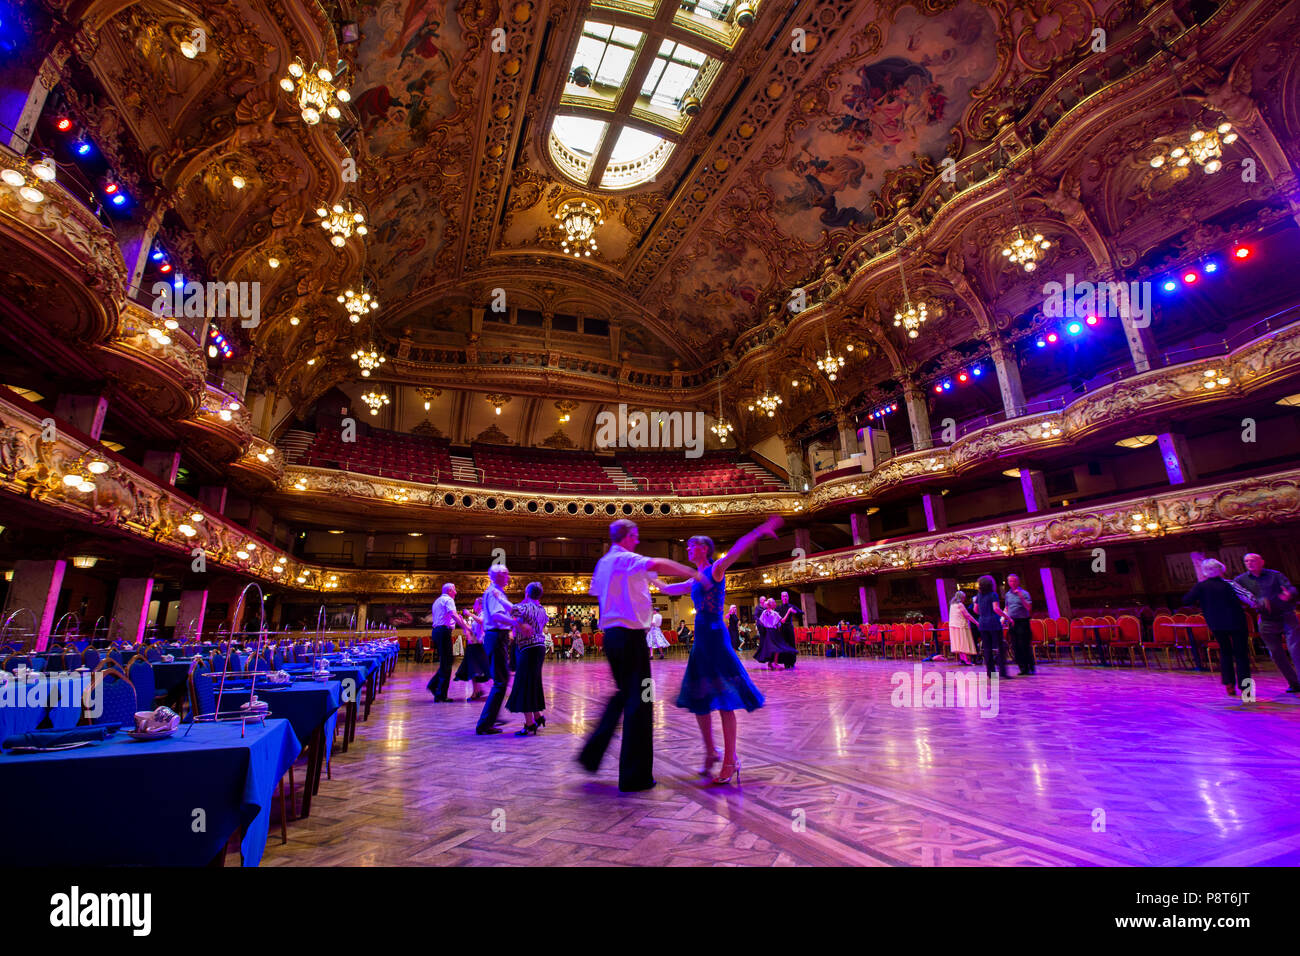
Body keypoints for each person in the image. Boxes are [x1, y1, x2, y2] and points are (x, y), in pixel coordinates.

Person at [577, 519, 702, 792]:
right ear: (626, 536)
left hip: (613, 638)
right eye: (635, 536)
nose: (637, 540)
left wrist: (653, 582)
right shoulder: (625, 558)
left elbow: (622, 585)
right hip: (630, 638)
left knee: (625, 694)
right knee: (642, 700)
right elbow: (656, 563)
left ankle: (591, 752)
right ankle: (635, 777)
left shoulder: (604, 563)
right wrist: (692, 572)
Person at [659, 516, 781, 785]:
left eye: (692, 545)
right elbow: (669, 588)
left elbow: (736, 550)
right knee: (700, 699)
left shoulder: (715, 570)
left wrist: (760, 530)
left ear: (704, 548)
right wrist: (650, 579)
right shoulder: (695, 579)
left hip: (715, 637)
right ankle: (711, 752)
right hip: (701, 640)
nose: (688, 548)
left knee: (725, 700)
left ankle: (730, 759)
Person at [1185, 559, 1255, 697]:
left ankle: (1229, 685)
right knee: (1241, 654)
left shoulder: (1201, 587)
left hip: (1216, 624)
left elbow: (1186, 600)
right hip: (1236, 622)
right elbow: (1249, 598)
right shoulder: (1229, 584)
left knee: (1225, 652)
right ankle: (1245, 689)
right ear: (1222, 570)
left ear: (1204, 572)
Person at [1234, 553, 1300, 693]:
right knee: (1275, 653)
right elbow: (1237, 594)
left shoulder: (1275, 575)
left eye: (1253, 560)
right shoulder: (1241, 580)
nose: (1249, 563)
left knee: (1295, 649)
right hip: (1266, 619)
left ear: (1262, 562)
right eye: (1246, 561)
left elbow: (1291, 588)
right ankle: (1294, 683)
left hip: (1286, 616)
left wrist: (1289, 594)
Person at [476, 565, 518, 735]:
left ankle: (489, 720)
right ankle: (485, 724)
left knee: (501, 680)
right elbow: (496, 615)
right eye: (506, 574)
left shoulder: (497, 592)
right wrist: (515, 623)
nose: (509, 576)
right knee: (501, 681)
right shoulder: (494, 592)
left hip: (496, 637)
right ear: (498, 576)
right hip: (496, 636)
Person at [507, 582, 549, 734]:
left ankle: (530, 724)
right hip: (540, 648)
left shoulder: (523, 608)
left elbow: (510, 608)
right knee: (533, 683)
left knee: (524, 684)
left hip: (528, 648)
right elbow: (544, 622)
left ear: (526, 593)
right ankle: (538, 716)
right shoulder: (542, 610)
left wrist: (498, 597)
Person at [427, 583, 471, 702]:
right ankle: (440, 694)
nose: (456, 592)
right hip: (443, 631)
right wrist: (466, 627)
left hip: (437, 631)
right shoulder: (449, 600)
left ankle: (434, 685)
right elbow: (453, 615)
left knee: (447, 661)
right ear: (450, 590)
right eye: (454, 590)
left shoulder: (437, 601)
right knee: (447, 663)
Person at [453, 597, 491, 701]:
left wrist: (469, 614)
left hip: (479, 645)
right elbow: (470, 629)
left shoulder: (484, 613)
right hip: (474, 644)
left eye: (475, 604)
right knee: (473, 669)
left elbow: (482, 621)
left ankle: (487, 690)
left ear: (480, 605)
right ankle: (476, 691)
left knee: (482, 669)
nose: (474, 606)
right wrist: (461, 621)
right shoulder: (478, 615)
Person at [974, 575, 1011, 680]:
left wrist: (983, 614)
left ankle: (991, 673)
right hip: (994, 623)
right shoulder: (993, 595)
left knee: (987, 649)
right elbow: (996, 609)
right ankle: (1002, 672)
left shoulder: (979, 596)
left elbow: (975, 610)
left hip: (983, 623)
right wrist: (1007, 617)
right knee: (1000, 647)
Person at [1002, 574, 1035, 675]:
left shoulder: (1025, 593)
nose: (1012, 583)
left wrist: (1021, 597)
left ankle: (1029, 667)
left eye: (1014, 581)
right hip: (1012, 622)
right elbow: (1007, 608)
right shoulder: (1008, 594)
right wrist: (1003, 618)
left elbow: (1029, 607)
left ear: (1018, 582)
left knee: (1024, 645)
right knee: (1015, 645)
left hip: (1023, 621)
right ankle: (1022, 667)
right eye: (1010, 581)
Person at [754, 597, 795, 670]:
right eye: (774, 603)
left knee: (771, 647)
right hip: (773, 631)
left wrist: (767, 624)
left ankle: (770, 663)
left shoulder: (764, 612)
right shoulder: (774, 613)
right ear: (771, 604)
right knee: (777, 647)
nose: (775, 604)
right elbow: (783, 621)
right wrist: (788, 611)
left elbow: (761, 621)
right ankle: (775, 663)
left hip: (767, 632)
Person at [947, 591, 979, 665]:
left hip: (953, 626)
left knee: (959, 643)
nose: (964, 599)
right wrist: (976, 622)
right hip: (960, 626)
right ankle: (965, 660)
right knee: (963, 642)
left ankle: (962, 659)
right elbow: (967, 615)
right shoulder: (960, 605)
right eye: (963, 598)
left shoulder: (952, 605)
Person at [776, 591, 802, 668]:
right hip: (782, 628)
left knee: (791, 644)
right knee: (784, 645)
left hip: (789, 627)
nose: (785, 597)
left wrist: (795, 612)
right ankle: (786, 662)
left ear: (788, 597)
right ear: (781, 598)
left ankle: (792, 662)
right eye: (783, 596)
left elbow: (800, 612)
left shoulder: (791, 606)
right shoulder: (779, 608)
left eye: (786, 596)